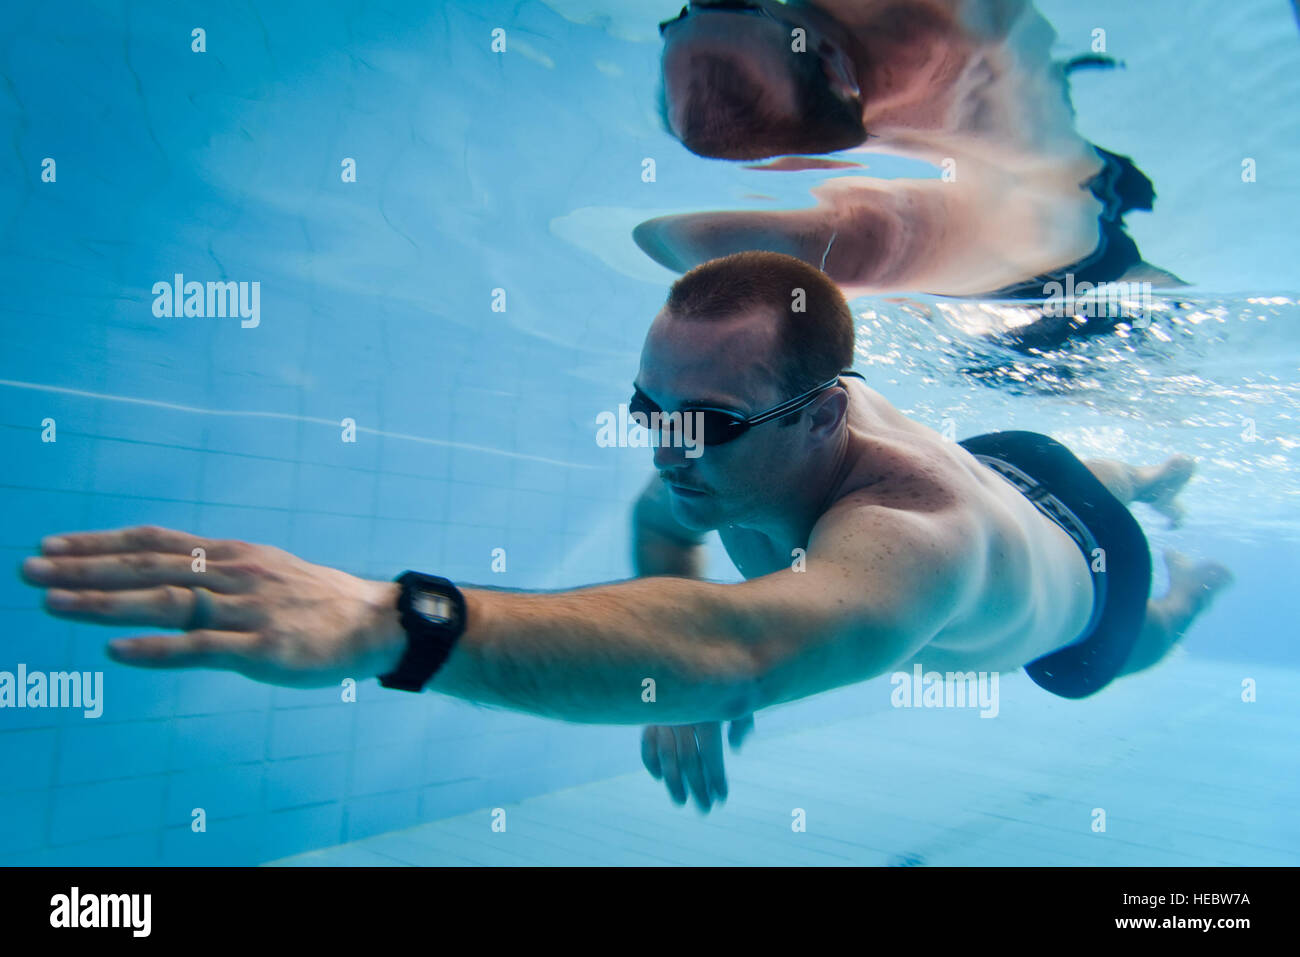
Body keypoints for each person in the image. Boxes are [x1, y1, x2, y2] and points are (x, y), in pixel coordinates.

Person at [18, 252, 1229, 816]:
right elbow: (669, 535)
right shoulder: (734, 443)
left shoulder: (913, 540)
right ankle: (1141, 466)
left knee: (1135, 648)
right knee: (1015, 463)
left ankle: (1177, 556)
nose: (665, 448)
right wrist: (668, 688)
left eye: (697, 420)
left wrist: (398, 623)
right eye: (643, 407)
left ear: (819, 416)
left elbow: (743, 645)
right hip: (1005, 460)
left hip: (1083, 576)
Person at [637, 0, 1185, 300]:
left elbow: (659, 238)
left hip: (1022, 269)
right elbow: (670, 240)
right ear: (830, 63)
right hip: (1083, 266)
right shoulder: (927, 22)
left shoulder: (845, 219)